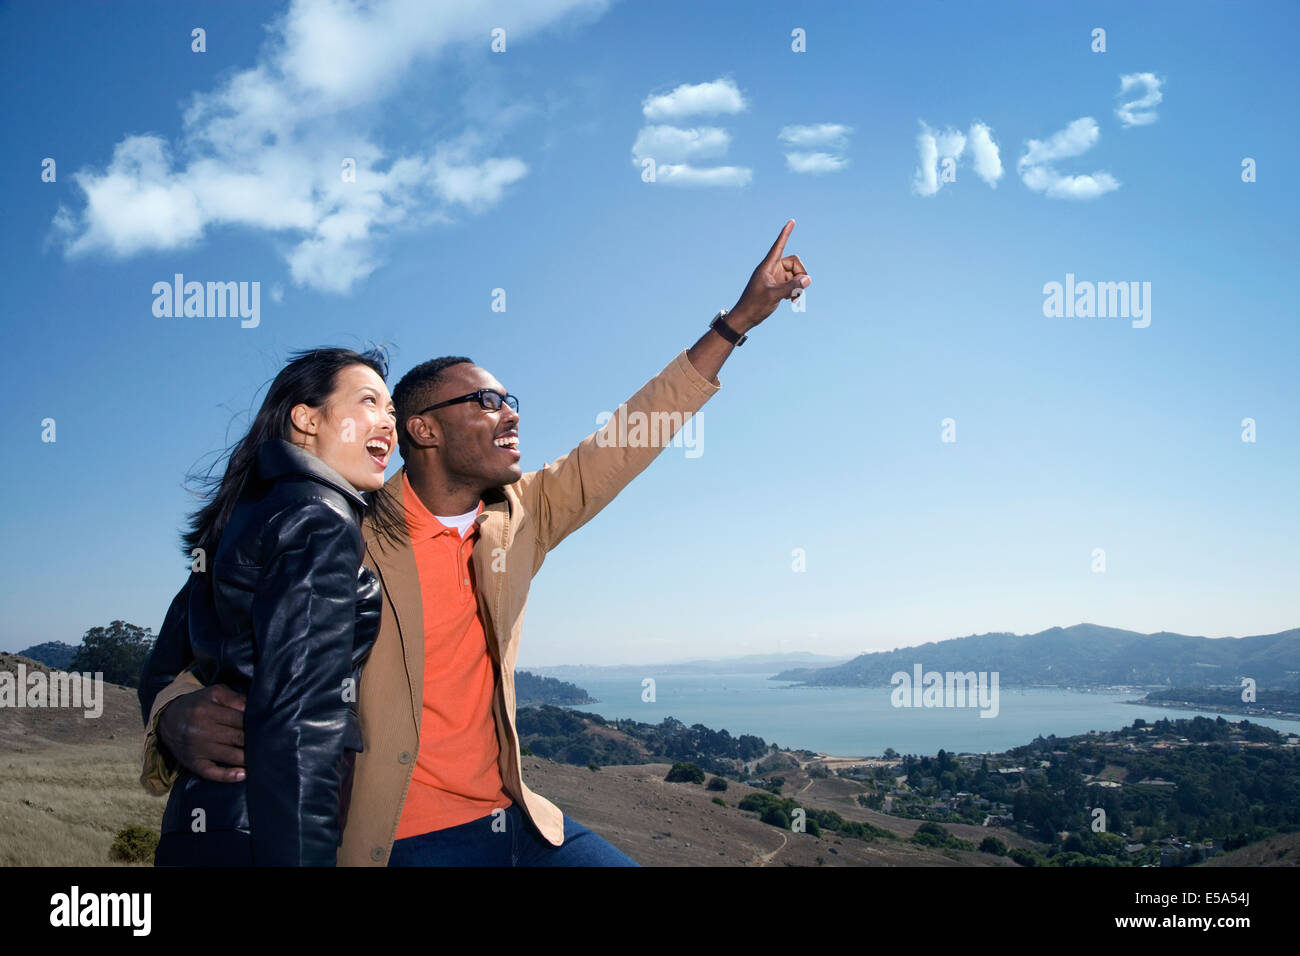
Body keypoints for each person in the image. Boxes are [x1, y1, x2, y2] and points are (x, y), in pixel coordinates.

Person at [139, 219, 811, 866]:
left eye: (509, 397)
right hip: (397, 840)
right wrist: (171, 715)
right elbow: (188, 646)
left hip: (516, 821)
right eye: (486, 401)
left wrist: (738, 321)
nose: (511, 411)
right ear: (423, 431)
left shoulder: (525, 515)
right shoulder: (338, 527)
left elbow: (634, 432)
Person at [140, 346, 399, 866]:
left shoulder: (244, 516)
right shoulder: (321, 519)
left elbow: (159, 669)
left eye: (392, 411)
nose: (388, 423)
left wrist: (169, 715)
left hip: (202, 824)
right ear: (305, 419)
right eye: (369, 401)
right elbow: (300, 724)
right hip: (263, 834)